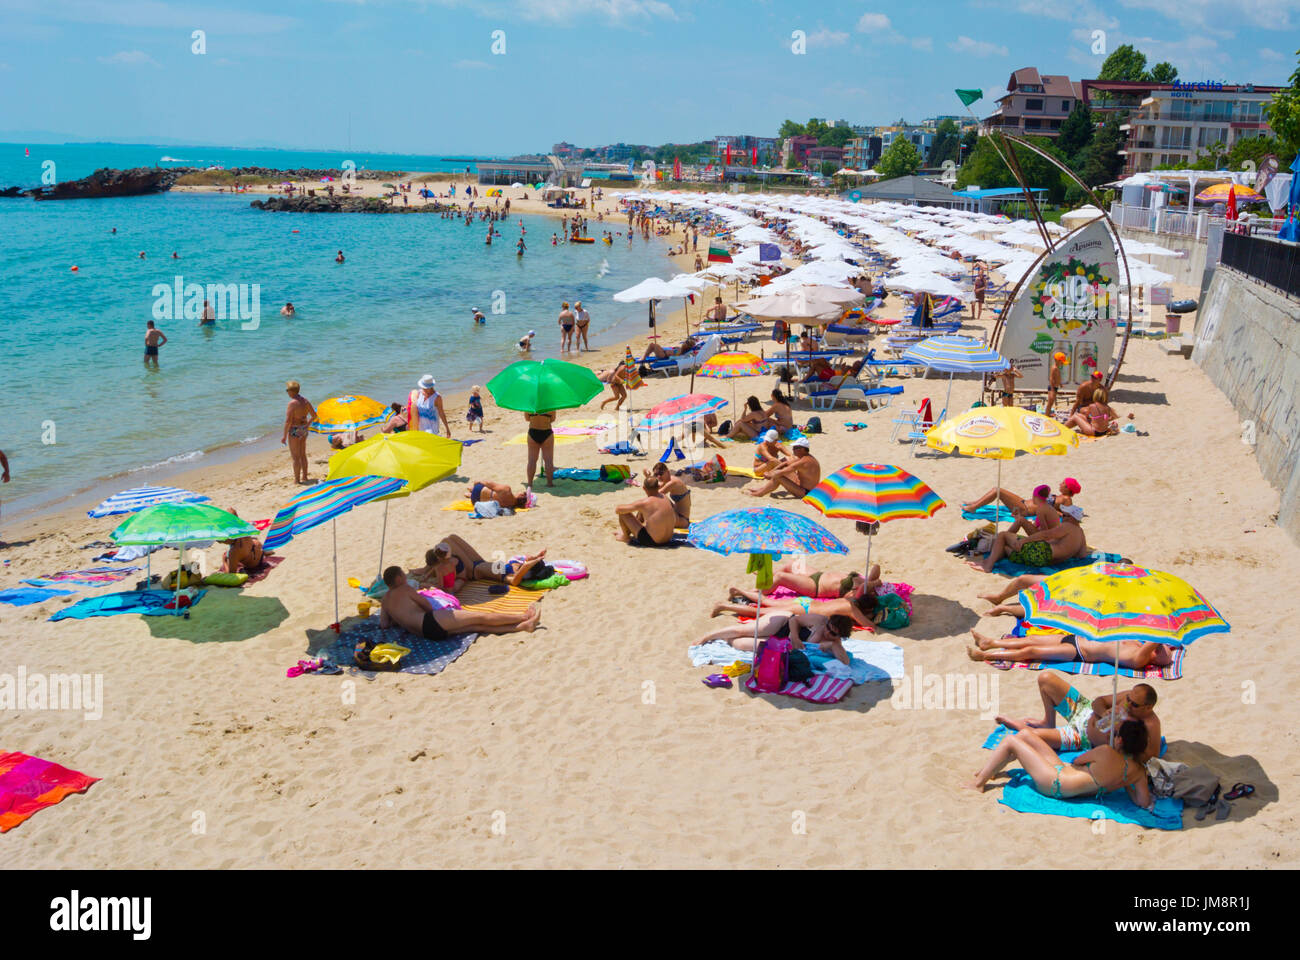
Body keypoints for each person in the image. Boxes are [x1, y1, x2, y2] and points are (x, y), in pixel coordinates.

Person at [965, 721, 1151, 808]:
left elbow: (1078, 761)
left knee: (1011, 741)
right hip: (1061, 775)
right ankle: (989, 771)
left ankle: (979, 783)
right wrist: (1126, 785)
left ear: (1119, 741)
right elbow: (1144, 802)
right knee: (1026, 735)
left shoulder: (1106, 752)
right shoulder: (1138, 771)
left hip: (1056, 783)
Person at [995, 676, 1163, 763]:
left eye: (1134, 704)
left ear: (1148, 707)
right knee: (1045, 679)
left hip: (1080, 736)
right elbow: (1099, 701)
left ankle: (1026, 728)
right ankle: (1048, 721)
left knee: (1030, 738)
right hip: (1083, 709)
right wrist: (1103, 713)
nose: (1128, 703)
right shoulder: (1128, 698)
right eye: (1128, 698)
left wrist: (1121, 737)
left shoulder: (1151, 725)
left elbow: (1150, 758)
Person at [379, 567, 539, 642]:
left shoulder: (385, 600)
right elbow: (427, 606)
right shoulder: (405, 589)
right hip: (430, 621)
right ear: (399, 578)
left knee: (478, 627)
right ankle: (522, 617)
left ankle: (523, 627)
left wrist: (401, 616)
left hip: (424, 634)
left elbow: (385, 624)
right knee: (481, 617)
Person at [968, 628, 1175, 671]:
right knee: (1031, 639)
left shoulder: (1139, 658)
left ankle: (984, 655)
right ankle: (991, 642)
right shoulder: (1139, 645)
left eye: (1161, 649)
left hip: (1079, 652)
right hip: (1078, 638)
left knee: (1030, 651)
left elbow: (1156, 639)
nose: (1160, 647)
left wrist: (1161, 640)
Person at [695, 610, 855, 665]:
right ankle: (708, 636)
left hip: (783, 643)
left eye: (833, 633)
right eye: (828, 628)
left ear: (839, 635)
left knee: (741, 644)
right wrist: (796, 637)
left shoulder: (834, 641)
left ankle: (725, 639)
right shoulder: (819, 620)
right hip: (783, 623)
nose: (828, 632)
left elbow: (845, 661)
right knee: (743, 631)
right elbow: (795, 620)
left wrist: (832, 645)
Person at [970, 503, 1089, 573]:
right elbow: (1082, 555)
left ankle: (988, 565)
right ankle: (1000, 550)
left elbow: (1046, 535)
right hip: (1047, 560)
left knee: (1003, 535)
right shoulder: (1080, 533)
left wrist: (1024, 540)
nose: (1063, 517)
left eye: (1066, 515)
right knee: (1006, 548)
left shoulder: (1068, 526)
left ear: (1073, 518)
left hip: (1042, 552)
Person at [961, 477, 1079, 516]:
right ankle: (975, 503)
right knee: (996, 489)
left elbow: (1067, 515)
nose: (1060, 484)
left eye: (1063, 483)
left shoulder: (1066, 499)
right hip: (1024, 502)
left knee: (998, 491)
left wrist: (1055, 512)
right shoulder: (1061, 497)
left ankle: (974, 507)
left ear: (1068, 488)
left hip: (1025, 510)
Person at [614, 475, 677, 546]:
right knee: (642, 510)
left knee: (623, 513)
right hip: (668, 538)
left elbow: (618, 510)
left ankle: (625, 537)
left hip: (652, 541)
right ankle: (630, 531)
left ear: (644, 488)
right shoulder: (664, 497)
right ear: (658, 487)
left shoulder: (645, 503)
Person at [744, 441, 820, 498]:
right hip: (800, 484)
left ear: (803, 449)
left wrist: (770, 475)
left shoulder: (804, 462)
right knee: (778, 468)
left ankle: (759, 493)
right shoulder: (806, 457)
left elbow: (782, 472)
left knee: (778, 477)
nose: (793, 449)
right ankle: (761, 489)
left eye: (795, 448)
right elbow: (786, 463)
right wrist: (771, 471)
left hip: (805, 492)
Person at [281, 380, 316, 484]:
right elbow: (314, 416)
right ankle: (304, 476)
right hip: (304, 429)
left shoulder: (292, 403)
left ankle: (297, 480)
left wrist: (284, 436)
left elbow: (288, 421)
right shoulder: (305, 401)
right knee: (302, 454)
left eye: (287, 390)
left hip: (295, 430)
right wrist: (307, 425)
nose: (287, 392)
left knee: (295, 457)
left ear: (292, 391)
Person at [646, 462, 691, 527]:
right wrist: (649, 477)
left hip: (682, 519)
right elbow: (655, 487)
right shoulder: (668, 479)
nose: (658, 476)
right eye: (656, 474)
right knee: (660, 499)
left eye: (661, 473)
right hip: (677, 515)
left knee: (659, 498)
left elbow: (654, 494)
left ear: (667, 471)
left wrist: (648, 479)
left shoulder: (672, 482)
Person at [525, 411, 556, 487]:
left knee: (532, 460)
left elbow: (527, 418)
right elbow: (552, 419)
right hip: (546, 431)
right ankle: (549, 483)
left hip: (533, 431)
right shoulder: (550, 405)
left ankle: (530, 483)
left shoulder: (530, 405)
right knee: (548, 460)